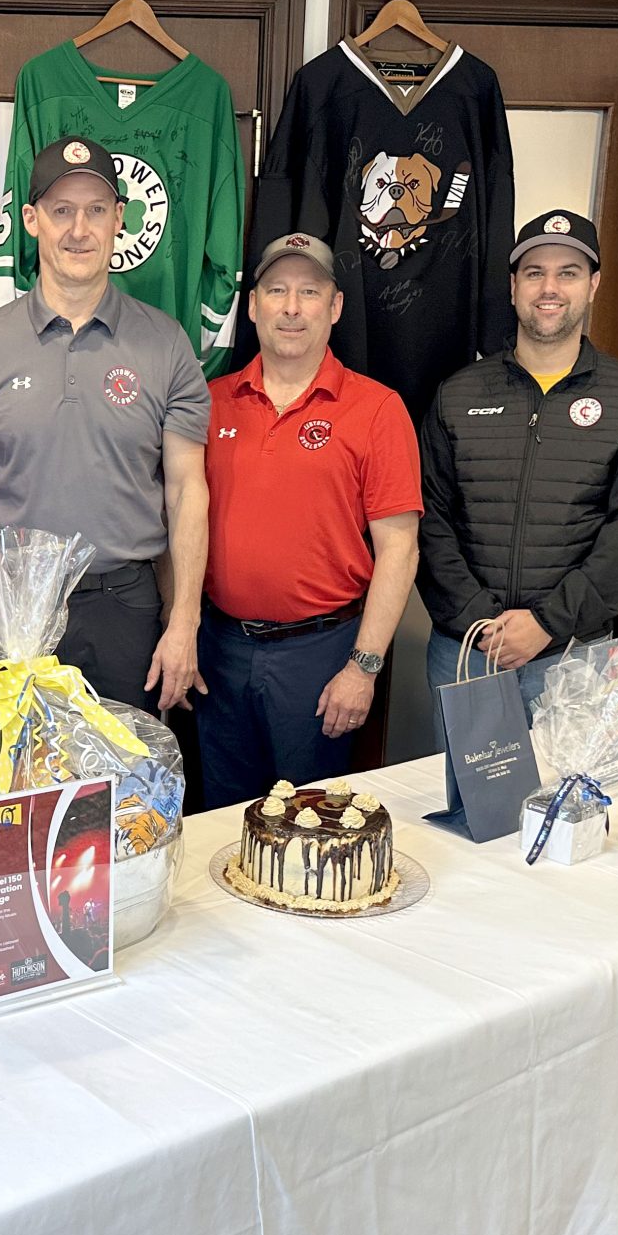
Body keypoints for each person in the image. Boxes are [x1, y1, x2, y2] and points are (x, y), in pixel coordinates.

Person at [0, 135, 211, 716]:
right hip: (14, 613)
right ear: (31, 221)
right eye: (61, 211)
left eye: (95, 211)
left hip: (126, 608)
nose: (78, 230)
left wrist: (183, 622)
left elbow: (188, 489)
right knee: (23, 792)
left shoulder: (165, 343)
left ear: (119, 222)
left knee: (127, 790)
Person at [198, 234, 422, 807]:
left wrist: (363, 668)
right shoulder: (210, 401)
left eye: (308, 292)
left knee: (312, 829)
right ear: (252, 305)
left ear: (335, 307)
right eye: (276, 290)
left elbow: (399, 549)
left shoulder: (376, 409)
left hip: (322, 657)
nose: (291, 307)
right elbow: (178, 523)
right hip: (220, 651)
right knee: (221, 820)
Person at [417, 209, 618, 718]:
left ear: (593, 285)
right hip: (468, 653)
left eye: (568, 273)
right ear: (513, 288)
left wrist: (548, 623)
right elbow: (428, 518)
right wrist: (480, 621)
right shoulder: (458, 394)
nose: (549, 288)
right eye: (534, 273)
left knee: (566, 799)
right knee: (471, 799)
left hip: (575, 657)